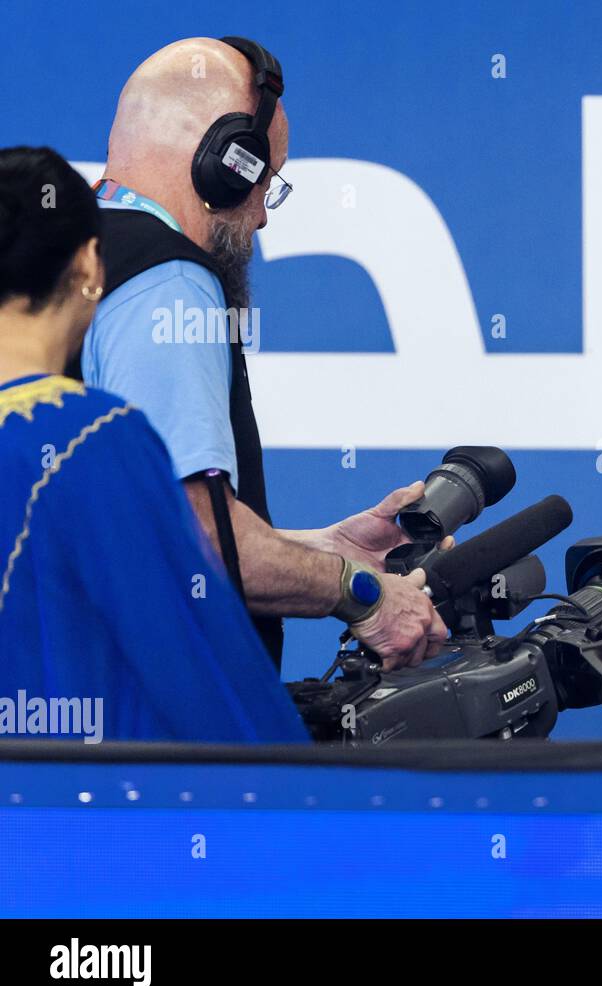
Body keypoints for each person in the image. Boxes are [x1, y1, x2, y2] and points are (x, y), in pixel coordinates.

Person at [82, 36, 444, 674]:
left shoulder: (60, 266)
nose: (263, 220)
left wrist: (327, 549)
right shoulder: (170, 282)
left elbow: (124, 533)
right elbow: (196, 541)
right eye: (266, 181)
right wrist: (362, 594)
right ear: (227, 164)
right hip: (153, 738)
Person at [0, 145, 306, 742]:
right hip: (61, 818)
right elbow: (191, 654)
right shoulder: (89, 439)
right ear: (91, 266)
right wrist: (303, 785)